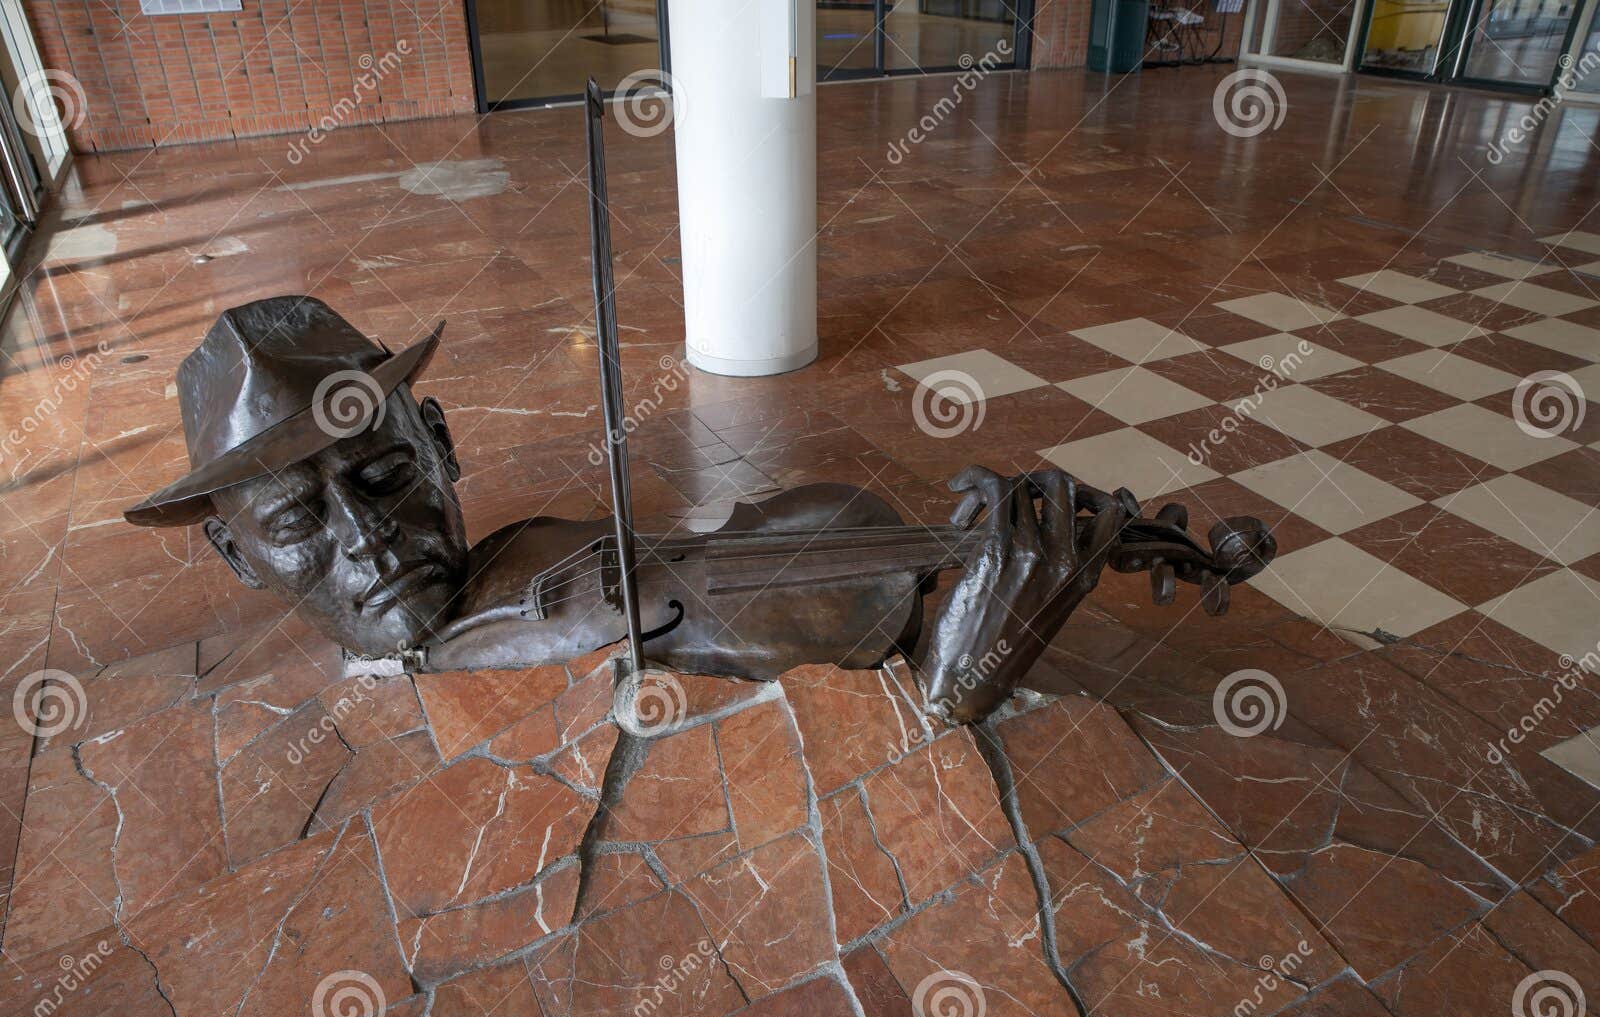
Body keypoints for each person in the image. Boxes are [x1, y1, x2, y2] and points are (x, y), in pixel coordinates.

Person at [125, 296, 1145, 725]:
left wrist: (947, 680)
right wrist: (957, 680)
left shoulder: (523, 549)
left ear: (437, 441)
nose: (368, 538)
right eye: (298, 520)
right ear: (232, 552)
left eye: (386, 475)